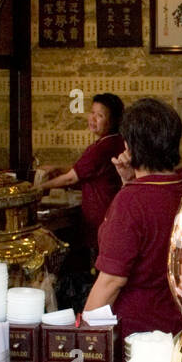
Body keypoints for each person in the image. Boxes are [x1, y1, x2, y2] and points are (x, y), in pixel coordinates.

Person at [84, 97, 182, 339]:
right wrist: (130, 182)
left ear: (131, 146)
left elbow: (111, 282)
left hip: (138, 335)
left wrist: (82, 337)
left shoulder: (131, 202)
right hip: (180, 326)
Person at [39, 93, 125, 259]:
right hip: (112, 215)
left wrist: (38, 187)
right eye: (92, 112)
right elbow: (85, 170)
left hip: (100, 216)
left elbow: (72, 177)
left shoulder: (101, 148)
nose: (92, 118)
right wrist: (58, 168)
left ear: (113, 121)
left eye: (100, 115)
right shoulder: (116, 141)